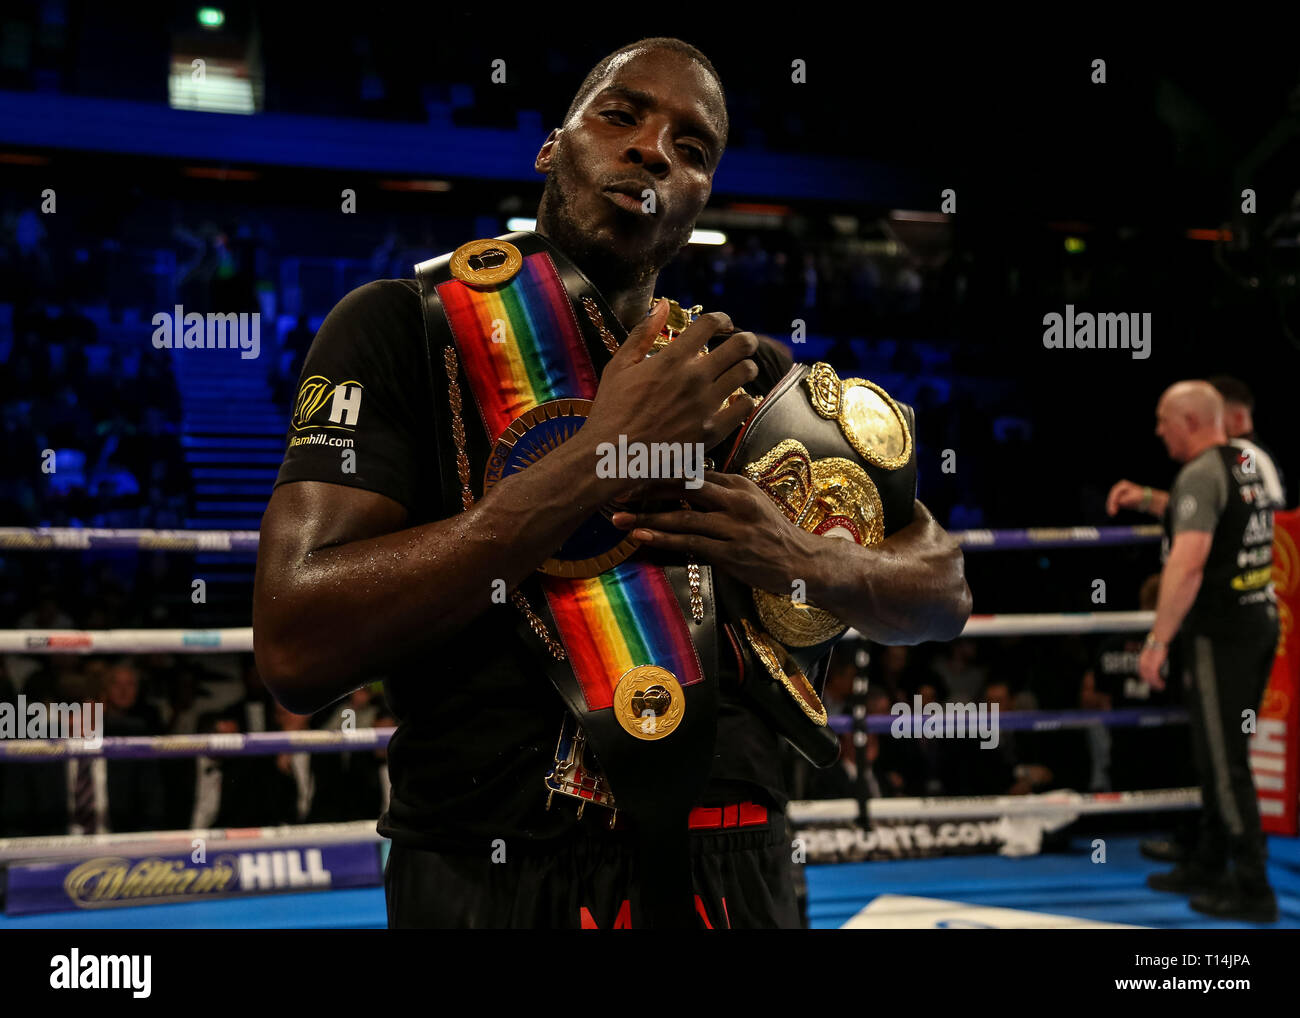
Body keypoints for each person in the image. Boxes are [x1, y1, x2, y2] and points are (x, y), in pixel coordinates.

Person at [254, 37, 970, 929]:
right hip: (492, 865)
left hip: (735, 865)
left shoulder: (744, 374)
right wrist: (602, 456)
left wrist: (800, 555)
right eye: (621, 114)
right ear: (554, 146)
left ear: (703, 196)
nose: (652, 150)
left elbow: (941, 590)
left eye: (693, 147)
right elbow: (295, 643)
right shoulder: (402, 329)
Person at [1138, 381, 1281, 922]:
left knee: (1225, 765)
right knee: (1218, 755)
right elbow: (1215, 521)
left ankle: (1253, 890)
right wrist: (1151, 501)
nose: (1158, 431)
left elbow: (1189, 563)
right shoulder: (1248, 462)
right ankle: (1210, 861)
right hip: (1256, 621)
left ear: (1190, 423)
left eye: (1163, 420)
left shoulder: (1200, 472)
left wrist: (1157, 640)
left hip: (1222, 635)